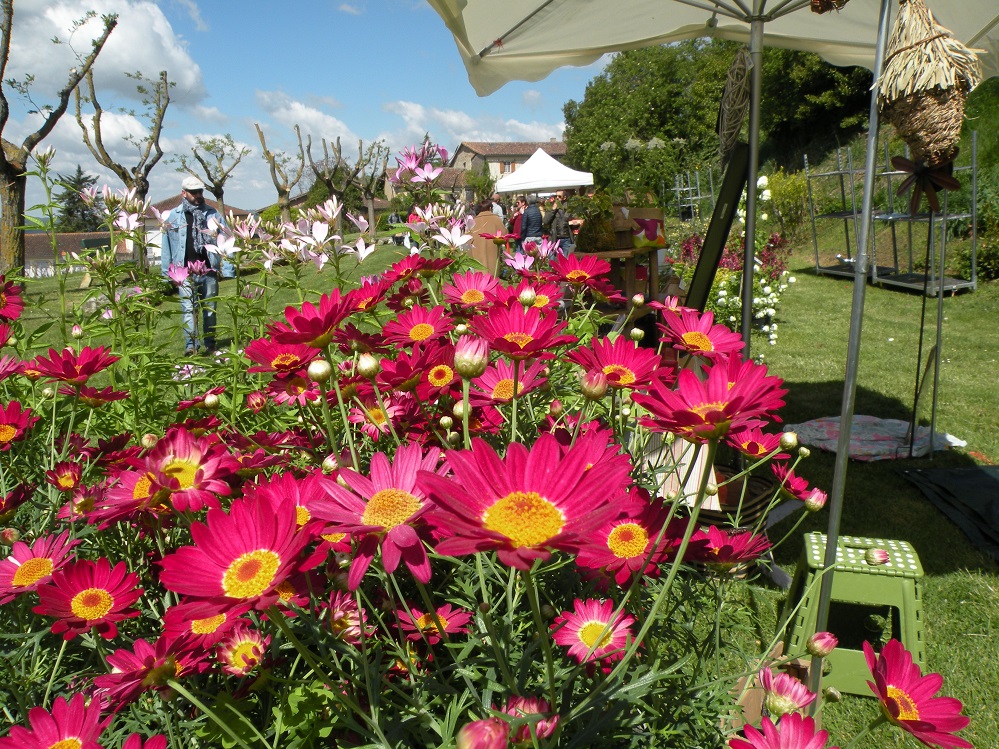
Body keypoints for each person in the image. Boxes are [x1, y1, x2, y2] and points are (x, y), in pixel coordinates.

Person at [161, 176, 226, 355]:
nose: (198, 195)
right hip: (184, 272)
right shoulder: (173, 216)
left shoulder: (213, 214)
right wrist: (167, 274)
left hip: (208, 269)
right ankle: (191, 346)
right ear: (184, 193)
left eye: (200, 191)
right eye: (193, 192)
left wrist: (227, 268)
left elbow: (225, 239)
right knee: (189, 310)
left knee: (210, 309)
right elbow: (166, 245)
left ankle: (210, 344)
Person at [469, 199, 508, 275]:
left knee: (479, 275)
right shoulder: (496, 219)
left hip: (476, 250)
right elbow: (504, 235)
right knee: (492, 273)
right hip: (493, 248)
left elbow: (468, 239)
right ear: (490, 208)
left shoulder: (474, 221)